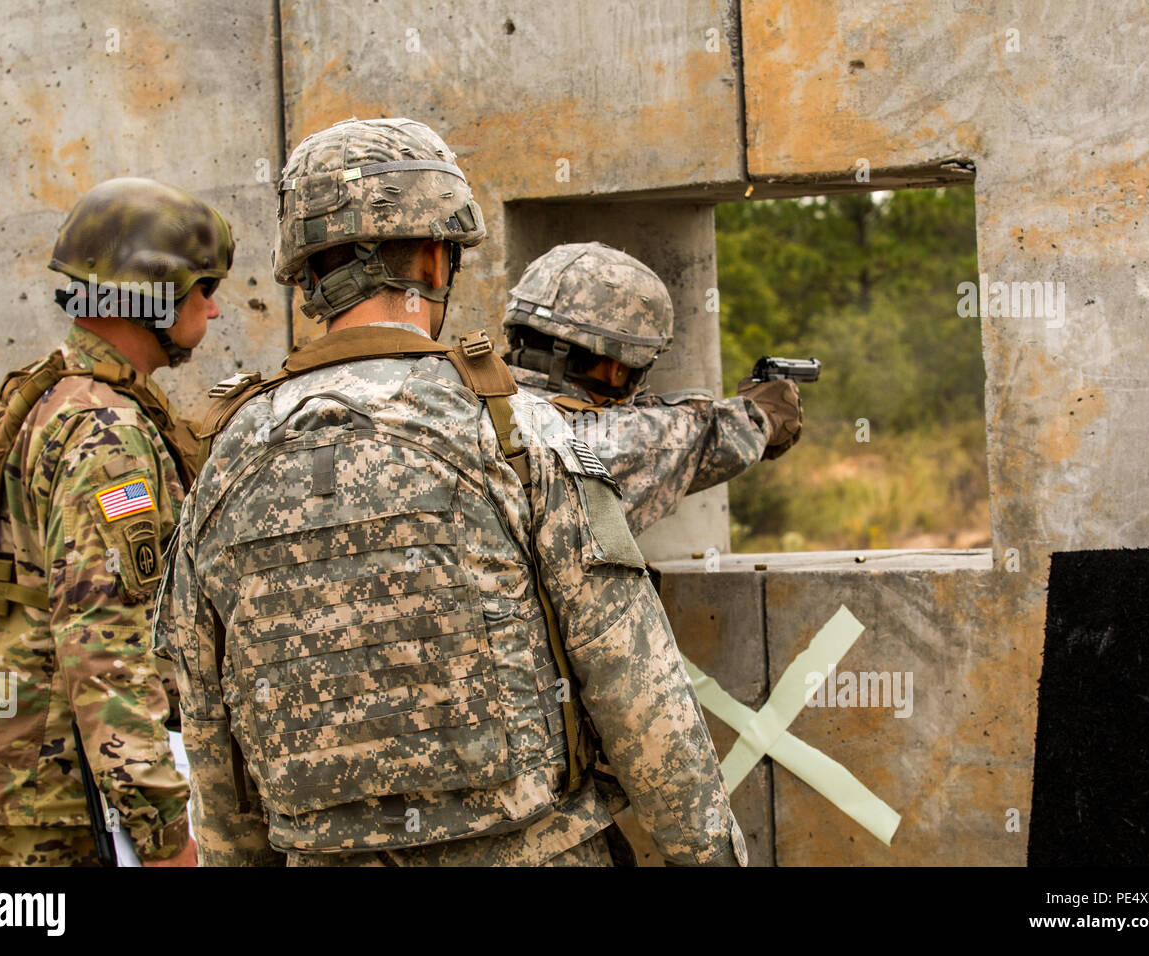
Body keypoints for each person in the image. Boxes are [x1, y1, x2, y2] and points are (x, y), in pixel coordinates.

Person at [152, 117, 746, 866]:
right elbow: (639, 693)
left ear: (304, 273)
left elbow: (211, 744)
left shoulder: (222, 453)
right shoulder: (514, 430)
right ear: (436, 256)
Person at [0, 177, 234, 866]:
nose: (215, 310)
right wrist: (165, 835)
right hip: (59, 795)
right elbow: (104, 648)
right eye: (203, 288)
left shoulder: (55, 391)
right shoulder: (106, 433)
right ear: (151, 295)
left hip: (23, 768)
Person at [503, 242, 803, 535]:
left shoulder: (469, 397)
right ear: (615, 368)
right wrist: (763, 414)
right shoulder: (595, 441)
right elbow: (699, 436)